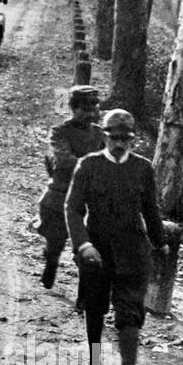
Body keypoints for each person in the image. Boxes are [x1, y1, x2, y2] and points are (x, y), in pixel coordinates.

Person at [65, 109, 167, 365]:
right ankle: (95, 364)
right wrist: (83, 245)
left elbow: (151, 209)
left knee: (130, 313)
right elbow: (73, 209)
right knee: (95, 308)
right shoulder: (88, 166)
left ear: (133, 139)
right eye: (114, 137)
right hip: (96, 251)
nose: (119, 143)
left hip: (133, 251)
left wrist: (160, 244)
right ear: (105, 136)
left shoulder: (143, 168)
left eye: (126, 138)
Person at [37, 85, 105, 289]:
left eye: (93, 109)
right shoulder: (60, 132)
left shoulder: (101, 134)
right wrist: (94, 167)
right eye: (84, 109)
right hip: (61, 195)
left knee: (87, 251)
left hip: (89, 199)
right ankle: (51, 263)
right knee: (54, 244)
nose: (89, 114)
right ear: (73, 108)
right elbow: (64, 160)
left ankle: (84, 299)